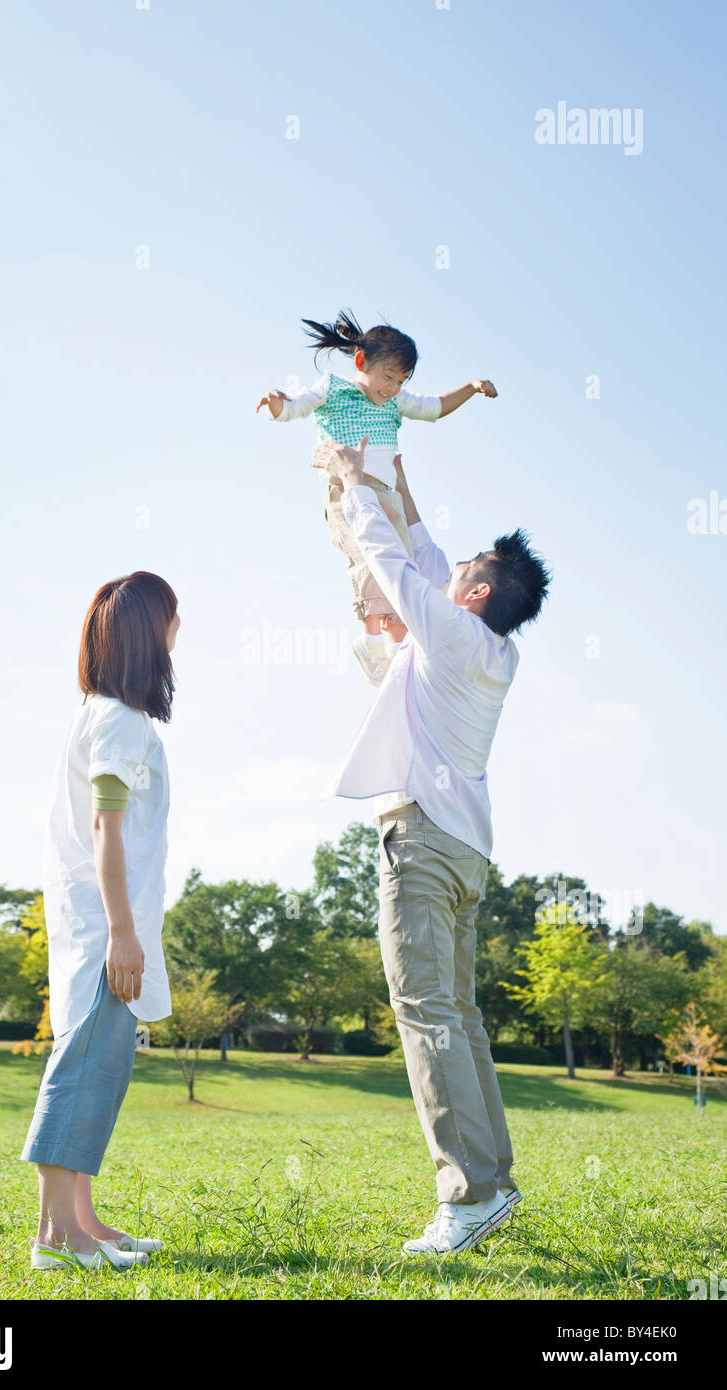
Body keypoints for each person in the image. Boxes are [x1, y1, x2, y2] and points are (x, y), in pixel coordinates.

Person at [321, 435, 551, 1256]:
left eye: (463, 571)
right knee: (460, 1016)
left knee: (425, 1012)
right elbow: (421, 551)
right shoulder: (492, 648)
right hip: (465, 849)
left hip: (421, 841)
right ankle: (495, 1181)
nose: (448, 569)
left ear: (475, 593)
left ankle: (468, 1193)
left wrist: (354, 485)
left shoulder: (451, 634)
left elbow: (393, 561)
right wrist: (397, 477)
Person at [19, 571, 180, 1271]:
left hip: (97, 924)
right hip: (103, 929)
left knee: (99, 1073)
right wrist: (122, 932)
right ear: (148, 634)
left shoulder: (101, 714)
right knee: (82, 1072)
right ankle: (57, 1238)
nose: (178, 630)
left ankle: (83, 1220)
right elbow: (105, 829)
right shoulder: (118, 721)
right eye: (172, 618)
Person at [256, 307, 496, 674]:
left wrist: (472, 387)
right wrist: (276, 403)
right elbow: (291, 409)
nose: (393, 388)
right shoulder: (332, 388)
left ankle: (397, 651)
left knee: (402, 569)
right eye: (388, 377)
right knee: (368, 558)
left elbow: (435, 407)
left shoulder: (396, 401)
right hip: (347, 491)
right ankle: (369, 641)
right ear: (361, 362)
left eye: (401, 381)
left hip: (388, 495)